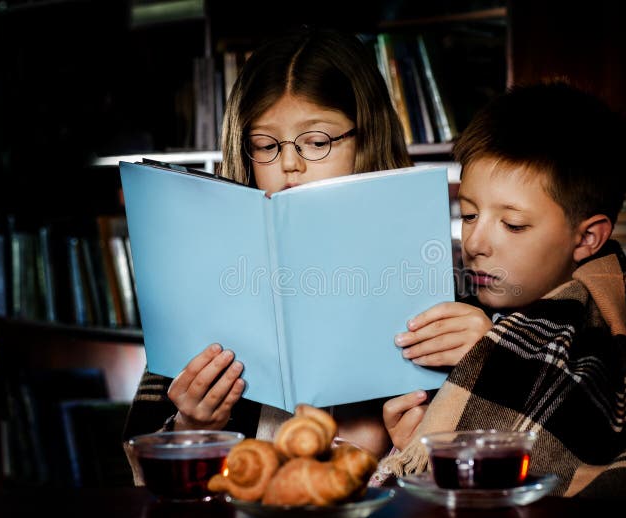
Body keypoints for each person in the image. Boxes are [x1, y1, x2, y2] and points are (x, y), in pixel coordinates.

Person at [374, 80, 626, 502]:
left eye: (513, 225)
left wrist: (496, 354)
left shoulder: (623, 311)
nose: (475, 243)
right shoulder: (456, 306)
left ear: (587, 238)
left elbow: (598, 437)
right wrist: (420, 440)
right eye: (469, 214)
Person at [122, 26, 412, 482]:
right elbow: (141, 473)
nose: (289, 163)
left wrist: (400, 439)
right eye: (265, 145)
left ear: (366, 139)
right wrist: (193, 426)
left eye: (317, 142)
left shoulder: (424, 277)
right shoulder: (209, 286)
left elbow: (464, 463)